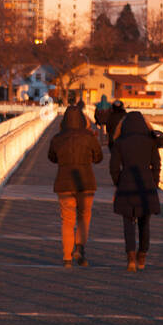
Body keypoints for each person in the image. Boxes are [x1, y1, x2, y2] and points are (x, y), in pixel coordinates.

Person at [48, 105, 103, 267]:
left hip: (64, 183)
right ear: (82, 119)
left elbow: (52, 157)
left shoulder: (58, 137)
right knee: (84, 217)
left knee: (67, 220)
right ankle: (79, 248)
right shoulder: (89, 136)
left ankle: (67, 257)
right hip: (86, 183)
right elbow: (98, 158)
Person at [109, 110, 161, 272]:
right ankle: (142, 256)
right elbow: (157, 165)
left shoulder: (120, 142)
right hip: (146, 186)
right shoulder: (151, 142)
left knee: (128, 223)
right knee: (145, 224)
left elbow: (113, 168)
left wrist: (119, 183)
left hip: (126, 185)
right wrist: (154, 182)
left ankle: (130, 258)